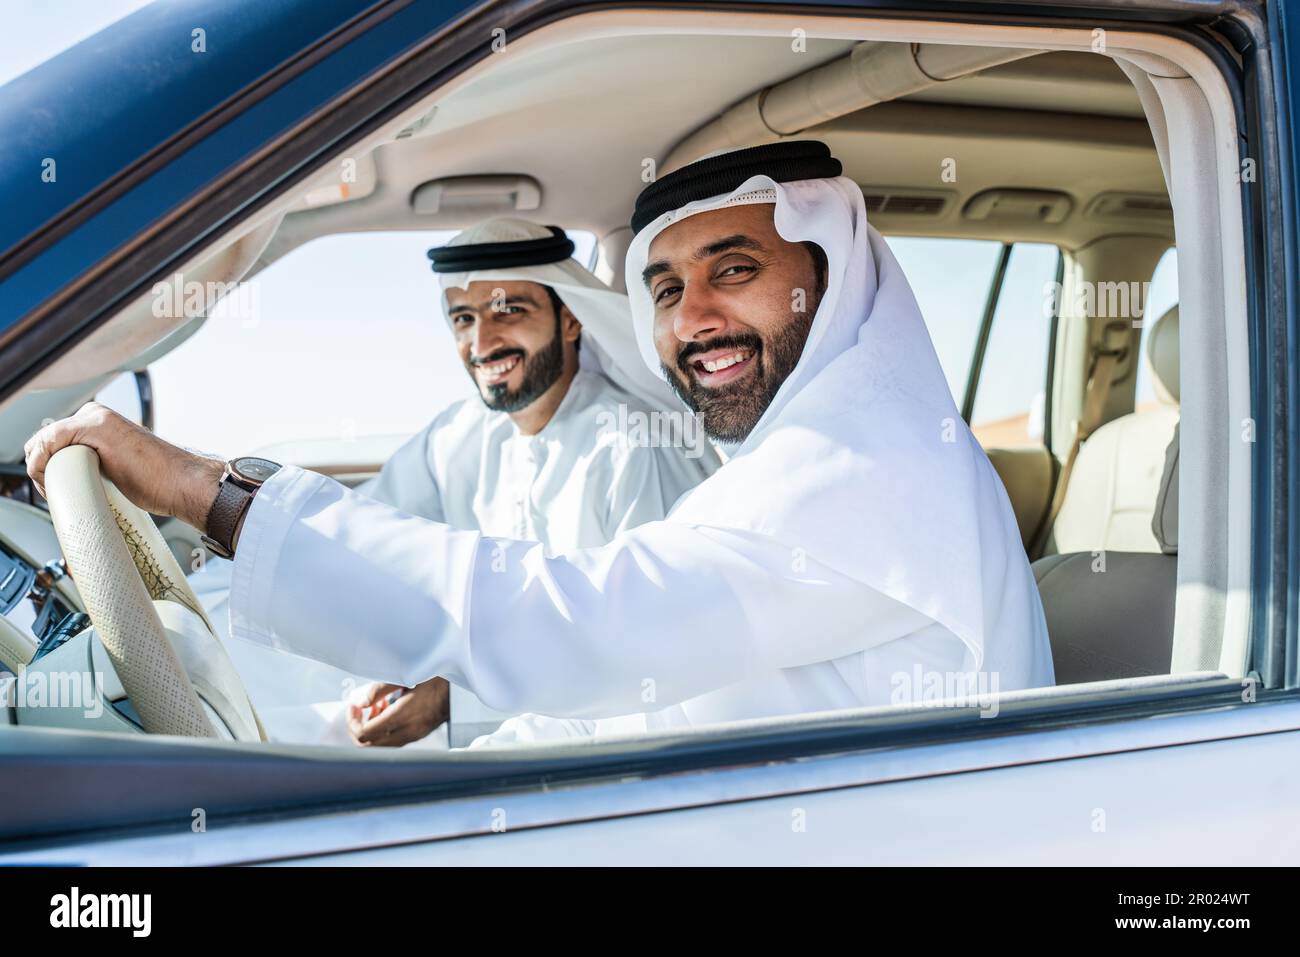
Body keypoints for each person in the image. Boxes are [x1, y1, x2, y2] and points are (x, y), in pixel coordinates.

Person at [25, 140, 1054, 749]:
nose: (692, 317)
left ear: (826, 280)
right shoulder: (808, 457)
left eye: (731, 269)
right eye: (664, 288)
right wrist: (455, 715)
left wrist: (210, 489)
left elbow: (587, 625)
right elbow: (639, 684)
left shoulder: (865, 474)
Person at [188, 217, 717, 747]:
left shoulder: (635, 447)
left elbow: (639, 645)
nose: (482, 341)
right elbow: (357, 535)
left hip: (581, 729)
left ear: (571, 319)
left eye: (508, 310)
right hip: (475, 678)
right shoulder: (460, 433)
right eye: (464, 318)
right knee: (249, 653)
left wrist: (454, 697)